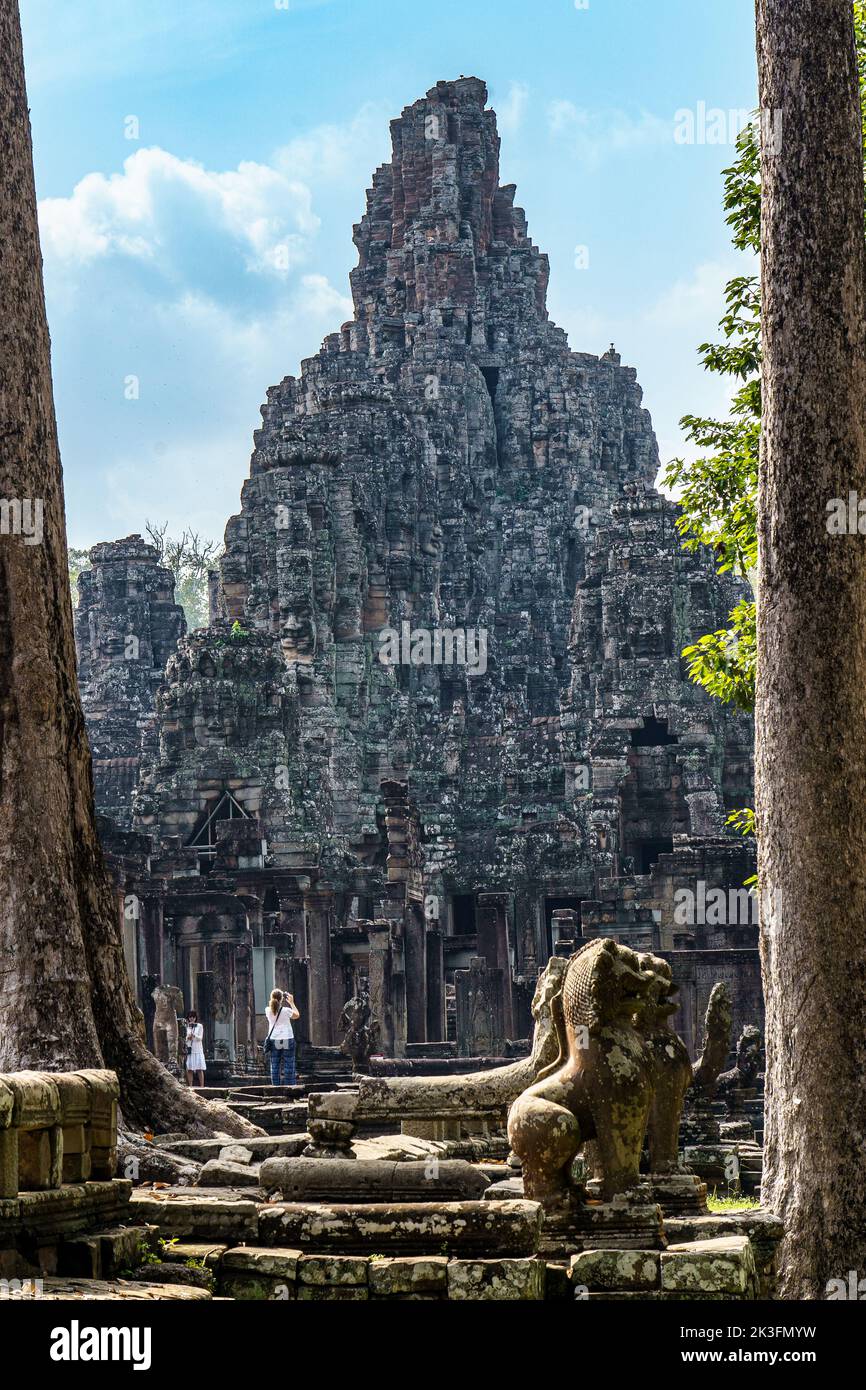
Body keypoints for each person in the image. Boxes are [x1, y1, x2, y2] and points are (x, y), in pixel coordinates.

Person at [265, 989, 300, 1086]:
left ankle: (275, 1088)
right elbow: (297, 1015)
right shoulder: (286, 1011)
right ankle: (290, 1087)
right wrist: (292, 1003)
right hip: (287, 1038)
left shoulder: (268, 1010)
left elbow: (273, 1009)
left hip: (275, 1039)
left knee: (275, 1064)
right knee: (289, 1063)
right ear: (281, 1000)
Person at [185, 1010, 206, 1088]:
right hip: (190, 1049)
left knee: (199, 1068)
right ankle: (190, 1086)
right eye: (190, 1017)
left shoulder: (199, 1026)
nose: (192, 1019)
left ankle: (202, 1086)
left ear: (195, 1018)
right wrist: (188, 1037)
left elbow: (200, 1038)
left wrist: (194, 1035)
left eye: (193, 1017)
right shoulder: (186, 1026)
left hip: (198, 1049)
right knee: (189, 1068)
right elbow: (184, 1038)